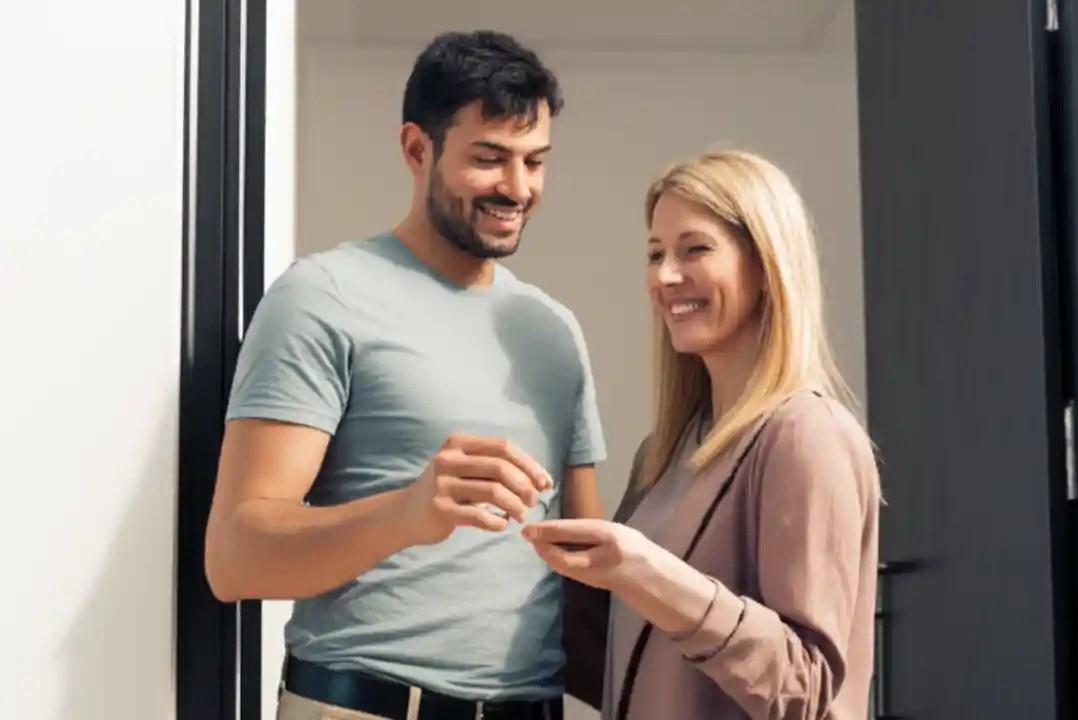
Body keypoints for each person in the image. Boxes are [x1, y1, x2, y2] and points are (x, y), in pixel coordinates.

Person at [204, 30, 606, 720]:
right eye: (490, 159)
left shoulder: (554, 329)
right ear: (418, 150)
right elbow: (236, 559)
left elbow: (586, 569)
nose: (518, 188)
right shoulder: (323, 295)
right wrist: (408, 512)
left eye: (535, 161)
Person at [523, 149, 881, 719]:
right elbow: (619, 662)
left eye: (695, 249)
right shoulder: (662, 455)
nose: (665, 276)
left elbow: (808, 691)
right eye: (655, 254)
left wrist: (649, 573)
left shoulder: (807, 435)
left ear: (765, 265)